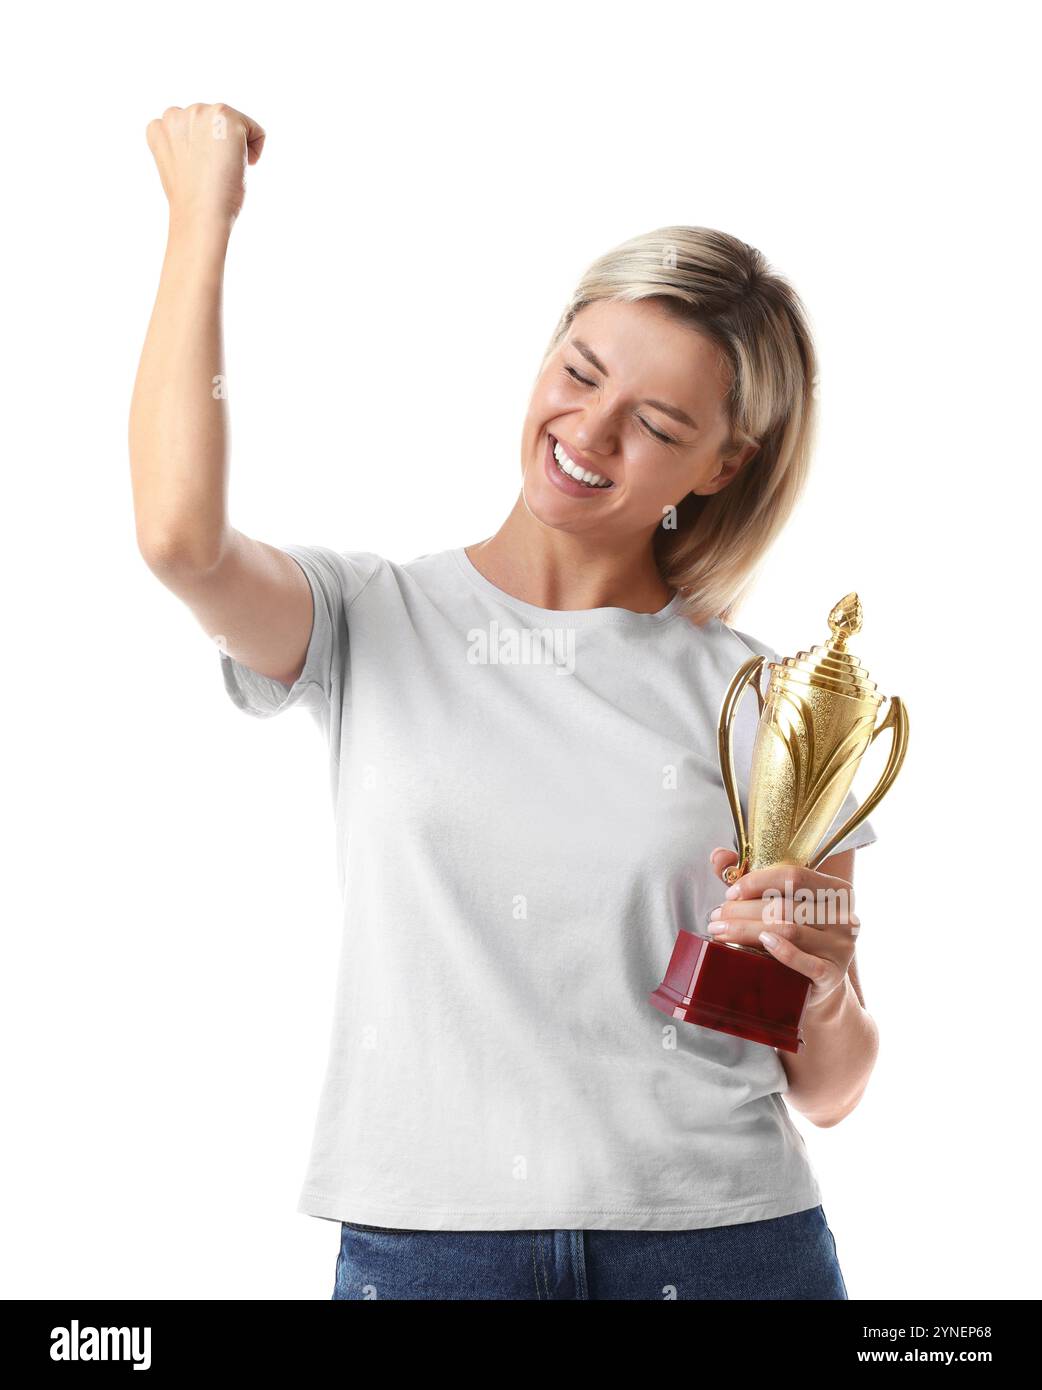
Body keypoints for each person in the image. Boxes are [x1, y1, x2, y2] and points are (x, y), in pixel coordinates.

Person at [130, 104, 880, 1302]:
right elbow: (178, 540)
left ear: (721, 466)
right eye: (579, 372)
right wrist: (199, 219)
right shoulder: (368, 621)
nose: (588, 431)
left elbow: (831, 1091)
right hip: (430, 1246)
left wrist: (825, 983)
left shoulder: (769, 703)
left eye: (658, 423)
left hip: (725, 1244)